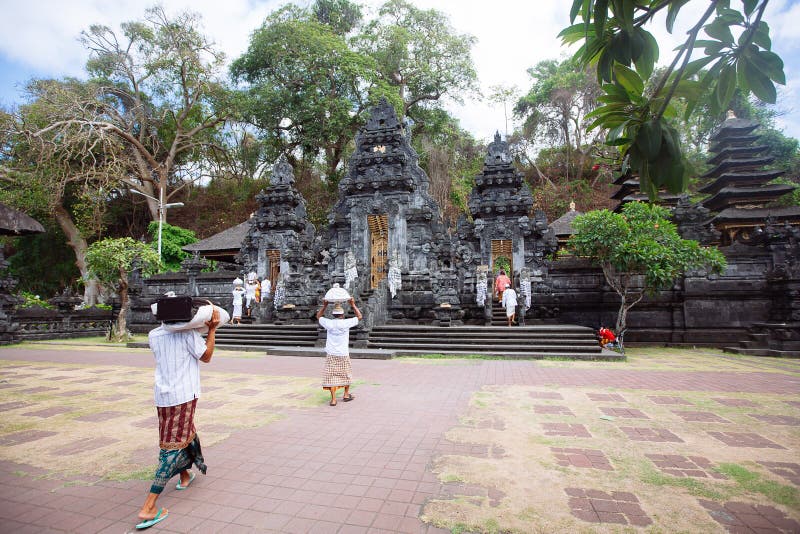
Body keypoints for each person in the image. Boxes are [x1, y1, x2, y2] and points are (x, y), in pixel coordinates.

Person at [137, 300, 226, 530]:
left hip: (163, 396)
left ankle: (185, 475)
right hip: (184, 395)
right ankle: (149, 506)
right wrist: (213, 330)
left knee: (180, 434)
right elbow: (206, 357)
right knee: (171, 447)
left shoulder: (153, 335)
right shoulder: (188, 336)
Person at [316, 297, 362, 406]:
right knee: (346, 374)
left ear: (333, 315)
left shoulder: (329, 323)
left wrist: (325, 306)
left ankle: (333, 399)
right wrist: (353, 304)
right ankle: (346, 394)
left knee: (331, 375)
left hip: (331, 353)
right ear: (342, 315)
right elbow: (359, 316)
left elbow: (318, 316)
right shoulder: (346, 323)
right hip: (343, 353)